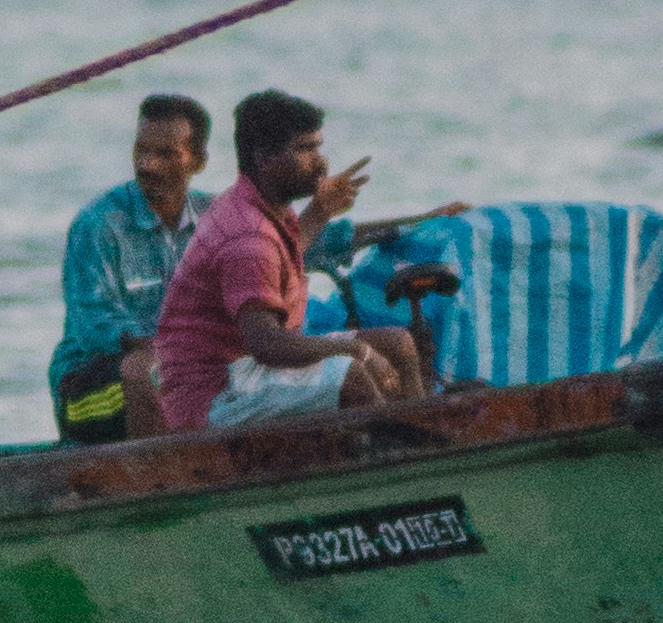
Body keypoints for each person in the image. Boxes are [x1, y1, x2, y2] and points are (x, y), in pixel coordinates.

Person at [151, 89, 440, 438]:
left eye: (318, 147)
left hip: (246, 370)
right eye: (305, 149)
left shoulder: (262, 205)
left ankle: (423, 442)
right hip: (212, 395)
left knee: (398, 345)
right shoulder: (247, 235)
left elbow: (275, 265)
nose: (321, 163)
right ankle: (398, 468)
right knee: (353, 374)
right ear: (263, 158)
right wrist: (354, 348)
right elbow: (267, 345)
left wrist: (319, 213)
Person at [48, 90, 212, 440]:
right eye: (141, 150)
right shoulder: (97, 225)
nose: (147, 165)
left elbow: (283, 243)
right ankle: (159, 485)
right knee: (150, 370)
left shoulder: (216, 218)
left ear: (197, 161)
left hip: (182, 369)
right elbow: (96, 326)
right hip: (88, 388)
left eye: (165, 153)